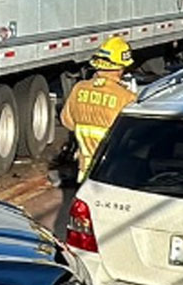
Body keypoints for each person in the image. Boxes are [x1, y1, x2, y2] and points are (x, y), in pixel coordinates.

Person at [59, 36, 139, 178]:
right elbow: (133, 136)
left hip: (84, 169)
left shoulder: (79, 88)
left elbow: (67, 122)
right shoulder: (126, 97)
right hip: (111, 172)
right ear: (120, 68)